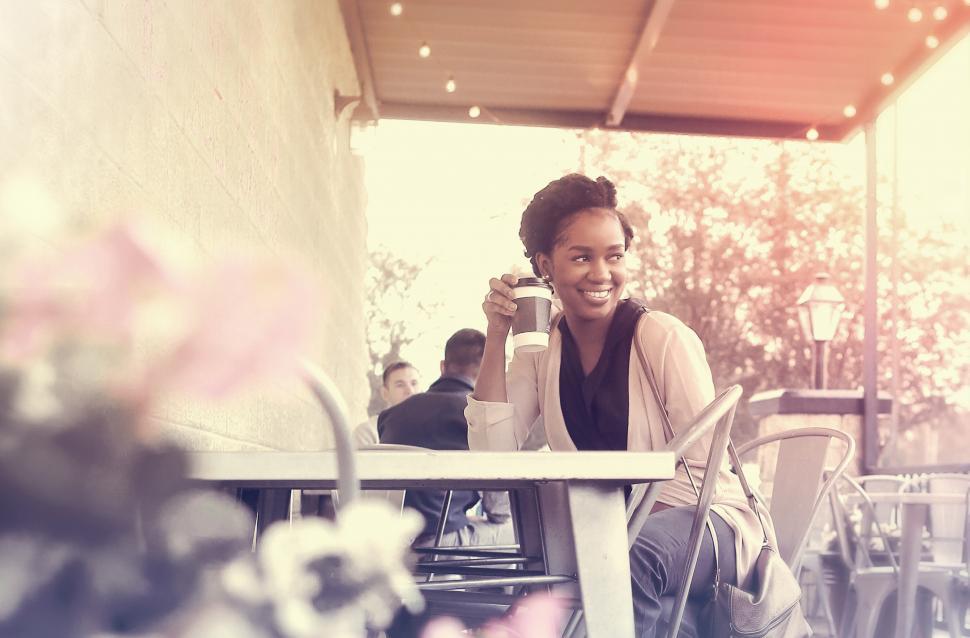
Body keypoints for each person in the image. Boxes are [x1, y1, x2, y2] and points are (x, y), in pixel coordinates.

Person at [466, 174, 776, 637]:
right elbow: (493, 456)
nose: (601, 273)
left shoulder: (661, 337)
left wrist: (614, 528)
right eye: (581, 257)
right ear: (545, 265)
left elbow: (703, 471)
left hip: (714, 525)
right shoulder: (541, 351)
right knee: (559, 575)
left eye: (614, 256)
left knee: (623, 559)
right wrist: (496, 333)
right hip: (612, 530)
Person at [379, 328, 513, 548]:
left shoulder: (389, 416)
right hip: (441, 542)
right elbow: (498, 510)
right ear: (490, 373)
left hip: (391, 542)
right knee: (521, 535)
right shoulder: (479, 417)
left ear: (443, 366)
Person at [352, 360, 420, 448]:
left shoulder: (432, 430)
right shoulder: (367, 433)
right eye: (400, 385)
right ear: (385, 393)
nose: (410, 391)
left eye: (414, 383)